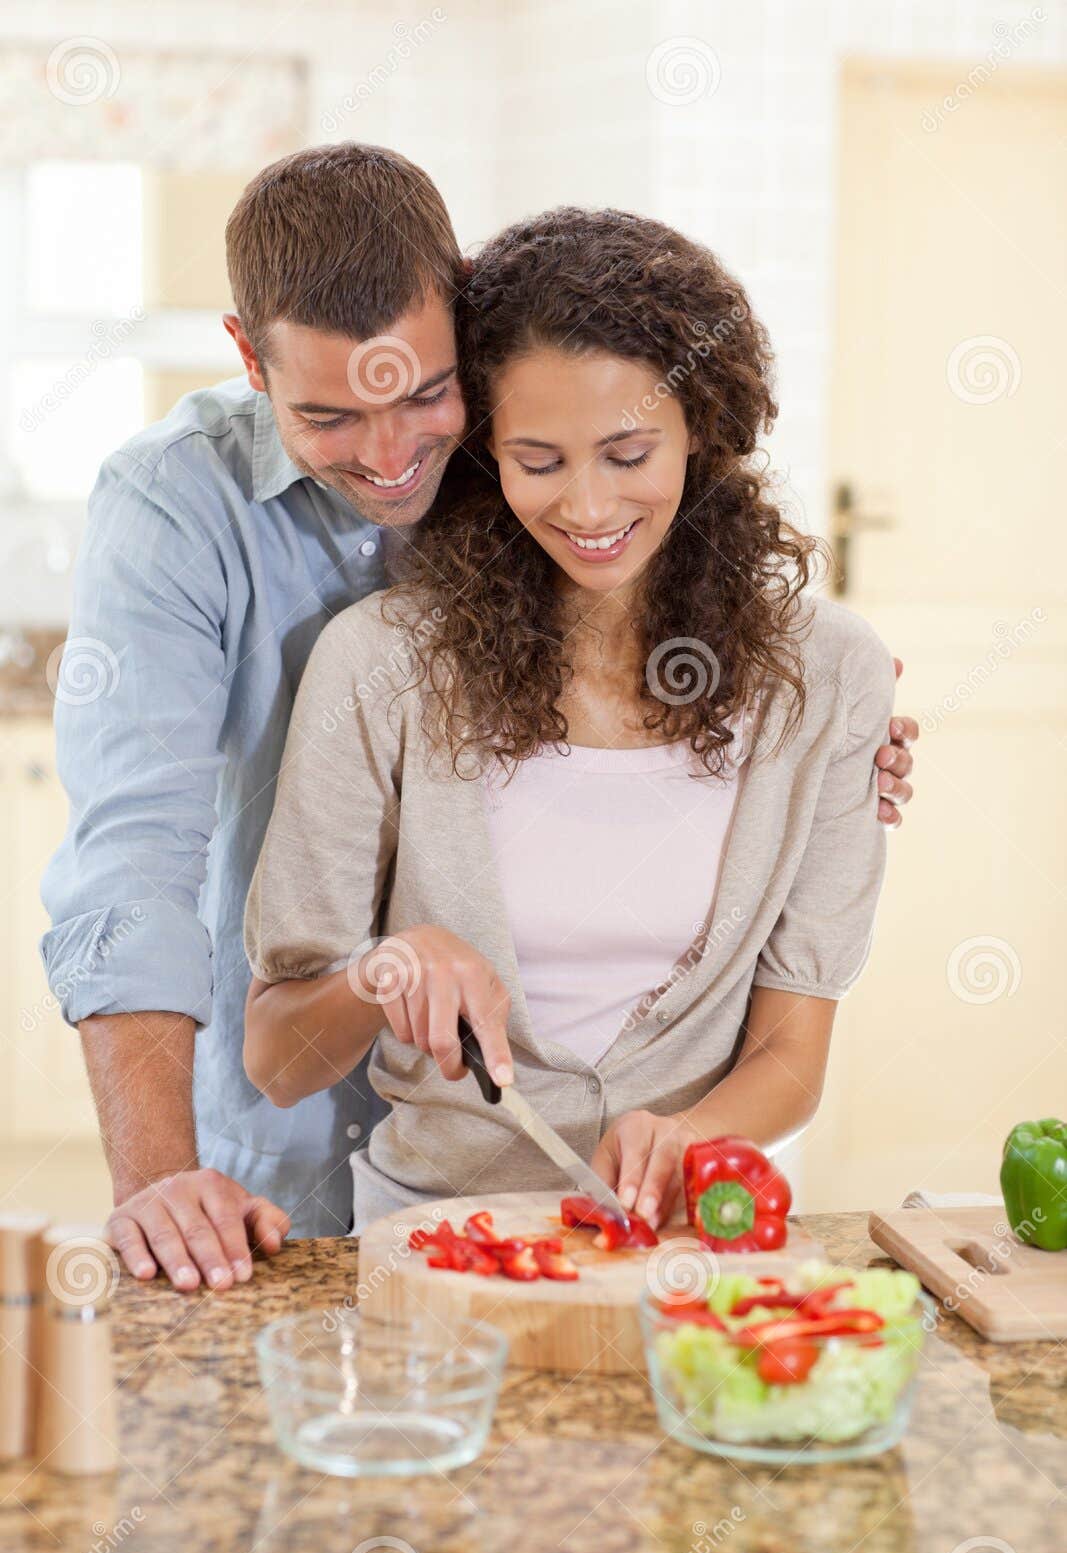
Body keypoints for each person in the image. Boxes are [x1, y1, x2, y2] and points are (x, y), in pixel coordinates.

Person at [40, 146, 917, 1292]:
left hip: (652, 1246)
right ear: (249, 359)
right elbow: (135, 861)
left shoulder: (550, 456)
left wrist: (831, 726)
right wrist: (159, 1176)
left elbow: (786, 1032)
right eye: (329, 415)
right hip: (323, 1163)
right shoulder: (194, 519)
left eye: (420, 399)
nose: (394, 454)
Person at [243, 206, 898, 1235]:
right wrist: (383, 970)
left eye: (628, 452)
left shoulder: (828, 676)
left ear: (702, 430)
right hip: (436, 1237)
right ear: (485, 453)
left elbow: (789, 1057)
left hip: (697, 1236)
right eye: (538, 461)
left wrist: (692, 1133)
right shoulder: (383, 665)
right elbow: (279, 1060)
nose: (588, 508)